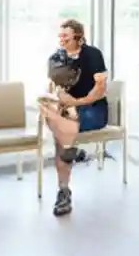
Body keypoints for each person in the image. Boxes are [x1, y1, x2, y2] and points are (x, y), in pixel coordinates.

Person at [38, 19, 108, 217]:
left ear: (79, 37)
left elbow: (100, 90)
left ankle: (65, 183)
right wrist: (57, 99)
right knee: (58, 122)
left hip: (93, 109)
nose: (61, 40)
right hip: (67, 112)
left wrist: (75, 103)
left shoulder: (93, 55)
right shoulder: (56, 58)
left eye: (66, 36)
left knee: (62, 129)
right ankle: (64, 190)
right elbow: (54, 88)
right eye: (60, 36)